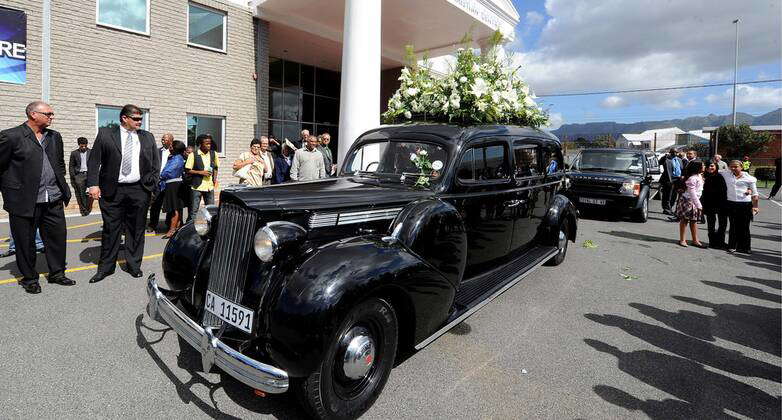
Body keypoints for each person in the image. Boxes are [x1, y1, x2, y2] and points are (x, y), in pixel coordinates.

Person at [0, 101, 74, 293]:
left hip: (53, 198)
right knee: (25, 242)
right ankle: (30, 278)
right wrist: (10, 192)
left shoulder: (54, 136)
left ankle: (57, 274)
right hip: (24, 201)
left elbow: (59, 163)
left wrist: (61, 186)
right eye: (48, 113)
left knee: (57, 239)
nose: (52, 117)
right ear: (33, 114)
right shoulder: (11, 136)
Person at [87, 104, 160, 283]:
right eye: (136, 119)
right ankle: (106, 268)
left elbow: (155, 164)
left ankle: (134, 265)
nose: (139, 122)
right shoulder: (105, 134)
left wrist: (150, 186)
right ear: (124, 118)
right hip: (113, 190)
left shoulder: (147, 137)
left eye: (141, 119)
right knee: (111, 229)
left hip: (139, 190)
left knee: (136, 229)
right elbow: (94, 161)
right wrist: (93, 185)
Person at [721, 160, 759, 254]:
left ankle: (745, 247)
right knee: (733, 225)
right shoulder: (726, 174)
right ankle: (732, 245)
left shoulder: (749, 178)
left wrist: (755, 206)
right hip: (731, 204)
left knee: (745, 226)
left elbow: (755, 194)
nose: (733, 168)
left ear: (741, 167)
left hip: (745, 204)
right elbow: (713, 170)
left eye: (736, 166)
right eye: (731, 166)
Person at [185, 134, 219, 221]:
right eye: (206, 143)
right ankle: (190, 227)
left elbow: (215, 167)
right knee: (193, 211)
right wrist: (201, 172)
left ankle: (210, 228)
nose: (209, 145)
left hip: (209, 187)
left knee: (211, 211)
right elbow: (188, 170)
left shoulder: (214, 154)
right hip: (197, 186)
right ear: (200, 144)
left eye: (210, 143)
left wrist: (214, 179)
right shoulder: (193, 155)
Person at [159, 141, 187, 239]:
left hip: (174, 185)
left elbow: (167, 172)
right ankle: (177, 228)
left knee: (174, 209)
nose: (169, 148)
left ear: (176, 148)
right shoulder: (173, 157)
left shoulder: (177, 159)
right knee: (176, 208)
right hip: (171, 184)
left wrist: (161, 175)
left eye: (171, 147)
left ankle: (172, 230)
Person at [674, 161, 705, 248]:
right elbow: (692, 193)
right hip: (688, 201)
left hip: (694, 201)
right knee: (684, 220)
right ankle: (682, 239)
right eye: (702, 165)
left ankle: (695, 240)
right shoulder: (692, 178)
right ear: (697, 168)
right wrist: (699, 205)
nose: (704, 166)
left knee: (694, 221)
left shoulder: (699, 176)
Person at [147, 133, 174, 232]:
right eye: (162, 139)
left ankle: (168, 224)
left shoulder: (174, 152)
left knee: (170, 205)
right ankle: (152, 225)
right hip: (158, 182)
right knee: (155, 204)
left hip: (170, 183)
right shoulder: (157, 151)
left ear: (171, 141)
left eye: (165, 139)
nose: (162, 141)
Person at [701, 160, 728, 249]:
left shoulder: (719, 176)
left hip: (720, 203)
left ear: (716, 167)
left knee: (722, 223)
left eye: (712, 166)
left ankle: (720, 241)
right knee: (711, 223)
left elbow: (724, 191)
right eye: (708, 166)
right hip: (708, 203)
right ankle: (712, 242)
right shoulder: (702, 177)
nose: (710, 168)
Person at [68, 137, 92, 216]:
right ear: (79, 145)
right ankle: (83, 210)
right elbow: (71, 166)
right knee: (81, 194)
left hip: (89, 175)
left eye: (85, 146)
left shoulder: (91, 152)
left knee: (89, 194)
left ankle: (87, 208)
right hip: (79, 176)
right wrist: (73, 176)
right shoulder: (74, 153)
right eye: (82, 146)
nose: (84, 147)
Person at [658, 149, 683, 215]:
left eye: (676, 152)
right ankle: (666, 209)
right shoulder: (666, 159)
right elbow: (659, 162)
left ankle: (670, 207)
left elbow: (682, 169)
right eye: (673, 152)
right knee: (667, 195)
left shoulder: (679, 160)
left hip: (677, 180)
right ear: (670, 152)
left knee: (674, 195)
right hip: (668, 179)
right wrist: (664, 156)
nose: (675, 153)